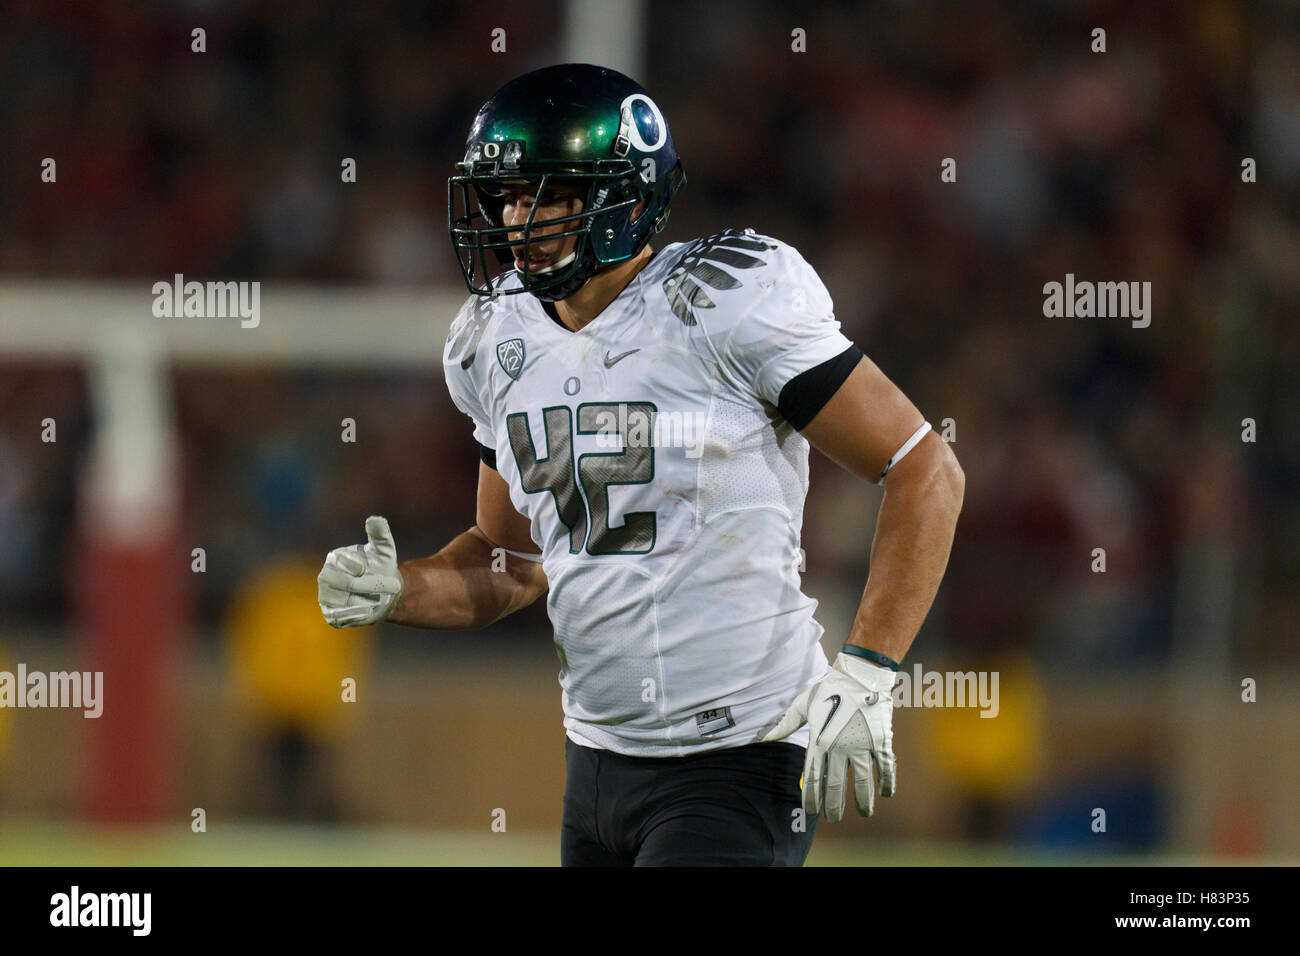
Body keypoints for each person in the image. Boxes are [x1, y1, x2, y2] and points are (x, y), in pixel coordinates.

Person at [317, 63, 964, 866]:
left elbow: (924, 467)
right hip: (594, 765)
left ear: (623, 195)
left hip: (741, 754)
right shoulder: (494, 343)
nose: (519, 220)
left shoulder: (724, 300)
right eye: (509, 196)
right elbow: (511, 563)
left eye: (548, 195)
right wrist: (402, 588)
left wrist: (869, 670)